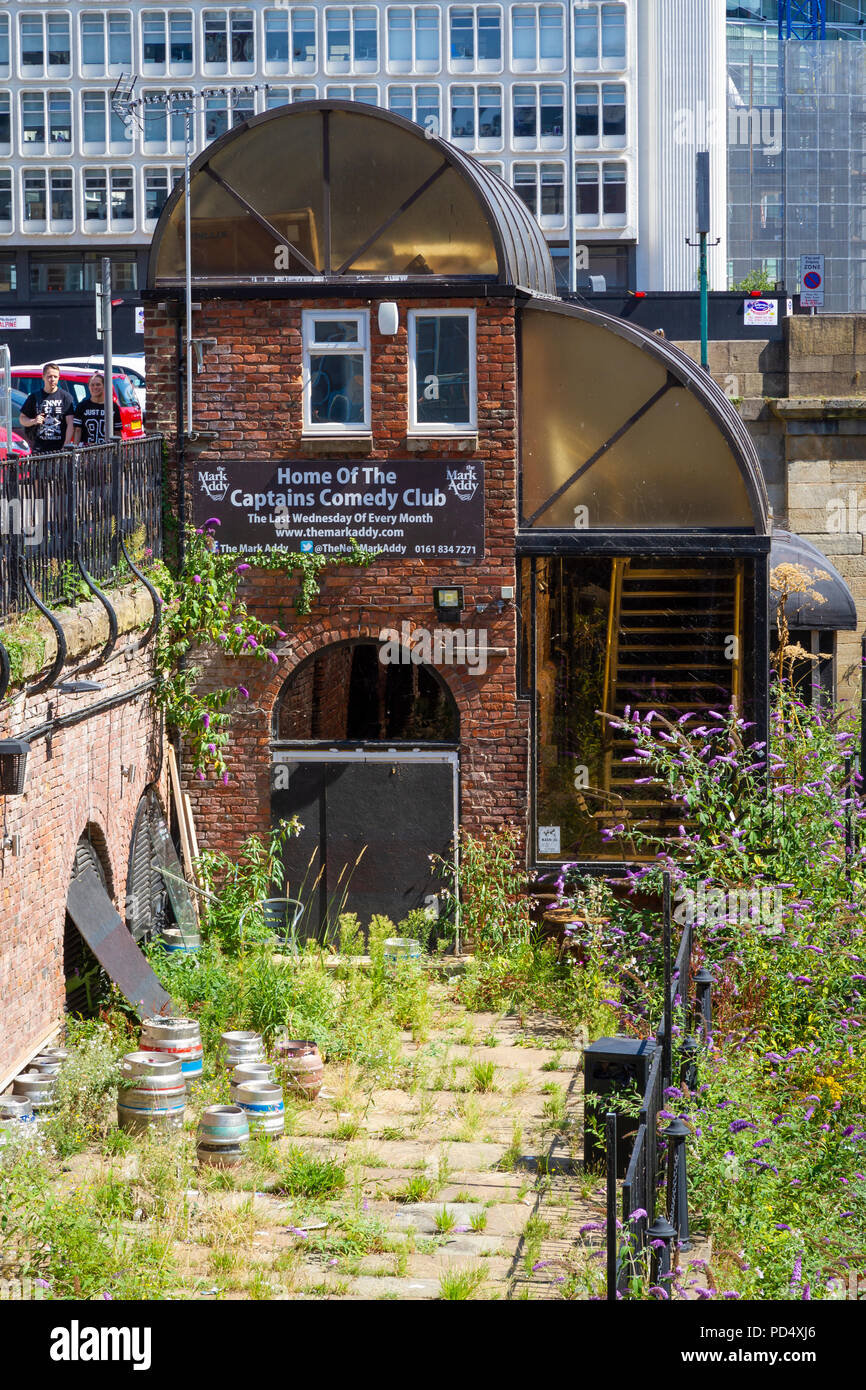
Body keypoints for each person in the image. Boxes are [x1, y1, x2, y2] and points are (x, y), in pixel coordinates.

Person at [18, 363, 75, 455]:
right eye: (49, 376)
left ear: (59, 377)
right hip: (39, 448)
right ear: (43, 377)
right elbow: (22, 419)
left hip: (59, 447)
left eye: (55, 377)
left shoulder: (66, 397)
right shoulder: (34, 397)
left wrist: (66, 444)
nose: (52, 379)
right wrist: (34, 421)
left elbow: (70, 422)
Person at [68, 372, 121, 447]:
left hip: (107, 449)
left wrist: (118, 450)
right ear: (88, 387)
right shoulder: (82, 406)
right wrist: (75, 450)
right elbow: (77, 430)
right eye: (92, 385)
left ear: (104, 386)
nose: (95, 387)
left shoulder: (112, 406)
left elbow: (117, 431)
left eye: (98, 384)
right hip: (86, 449)